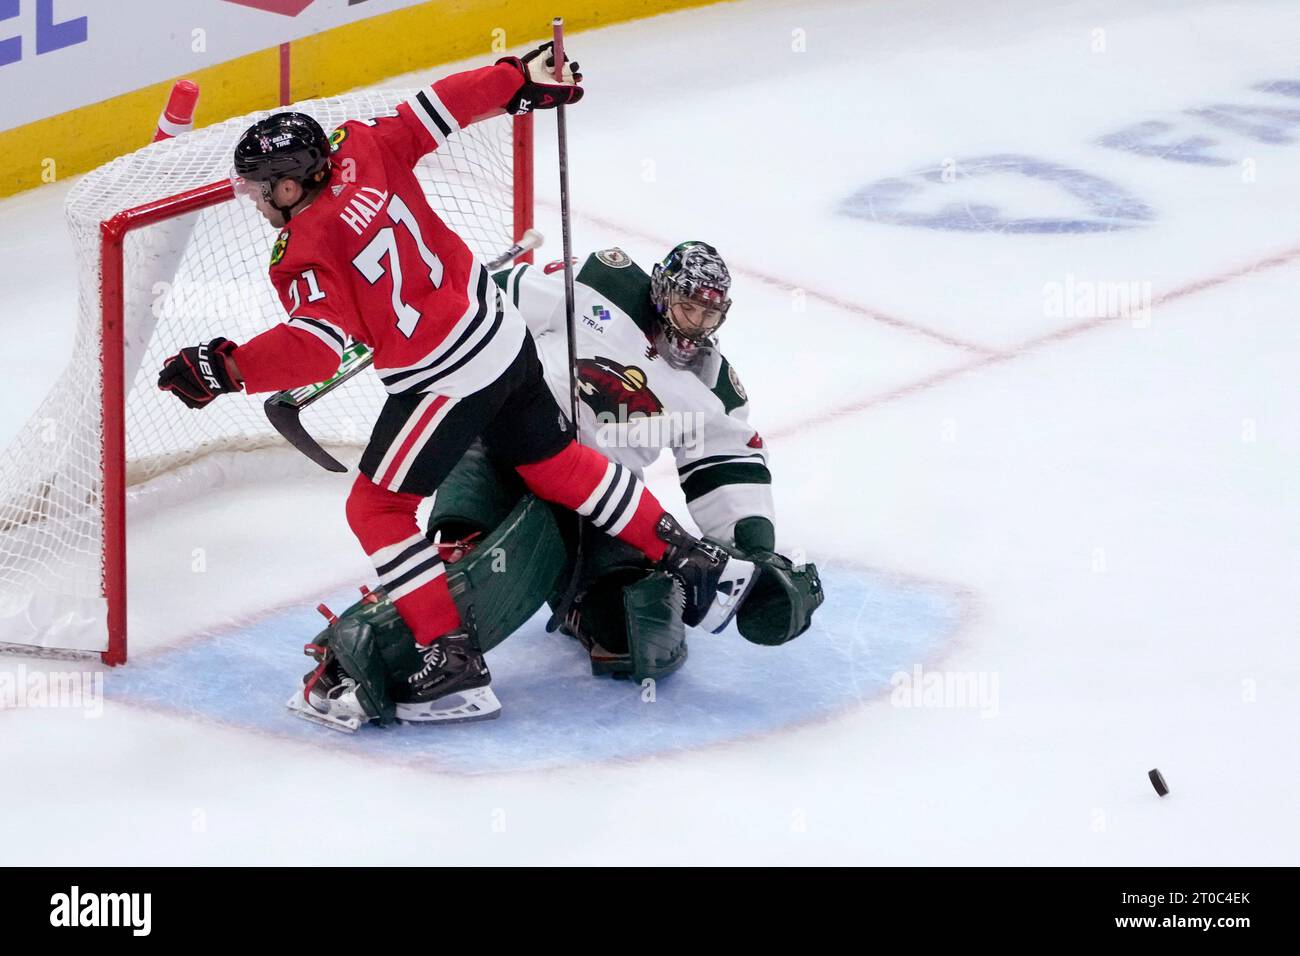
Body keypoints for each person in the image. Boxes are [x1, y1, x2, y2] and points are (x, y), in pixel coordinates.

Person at [155, 45, 754, 724]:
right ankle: (695, 558)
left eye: (262, 190)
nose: (258, 203)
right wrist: (516, 82)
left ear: (290, 186)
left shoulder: (303, 253)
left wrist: (227, 368)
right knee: (558, 464)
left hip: (446, 377)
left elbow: (316, 349)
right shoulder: (362, 145)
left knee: (374, 509)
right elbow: (438, 108)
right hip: (502, 336)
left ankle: (451, 661)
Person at [426, 242, 824, 680]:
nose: (697, 324)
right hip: (511, 449)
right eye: (688, 307)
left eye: (709, 315)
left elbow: (727, 464)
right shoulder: (601, 283)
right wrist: (442, 308)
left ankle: (576, 599)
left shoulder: (711, 388)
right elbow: (506, 296)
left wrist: (757, 549)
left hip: (600, 500)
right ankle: (447, 575)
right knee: (469, 557)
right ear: (661, 289)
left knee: (643, 632)